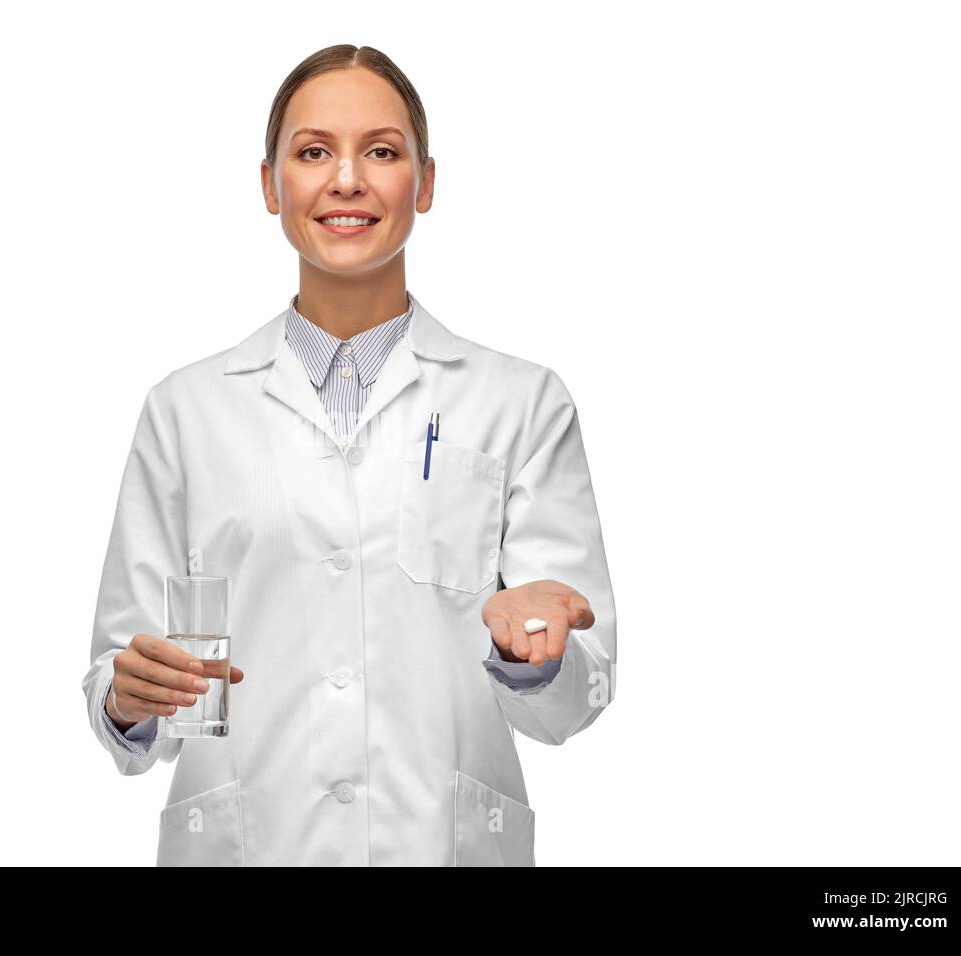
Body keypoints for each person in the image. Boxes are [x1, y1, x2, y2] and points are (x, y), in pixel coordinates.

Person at [81, 44, 617, 866]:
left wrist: (533, 654)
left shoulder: (521, 403)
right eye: (313, 152)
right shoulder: (185, 411)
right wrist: (129, 699)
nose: (346, 179)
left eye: (382, 151)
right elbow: (123, 693)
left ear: (425, 183)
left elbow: (576, 699)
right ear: (270, 185)